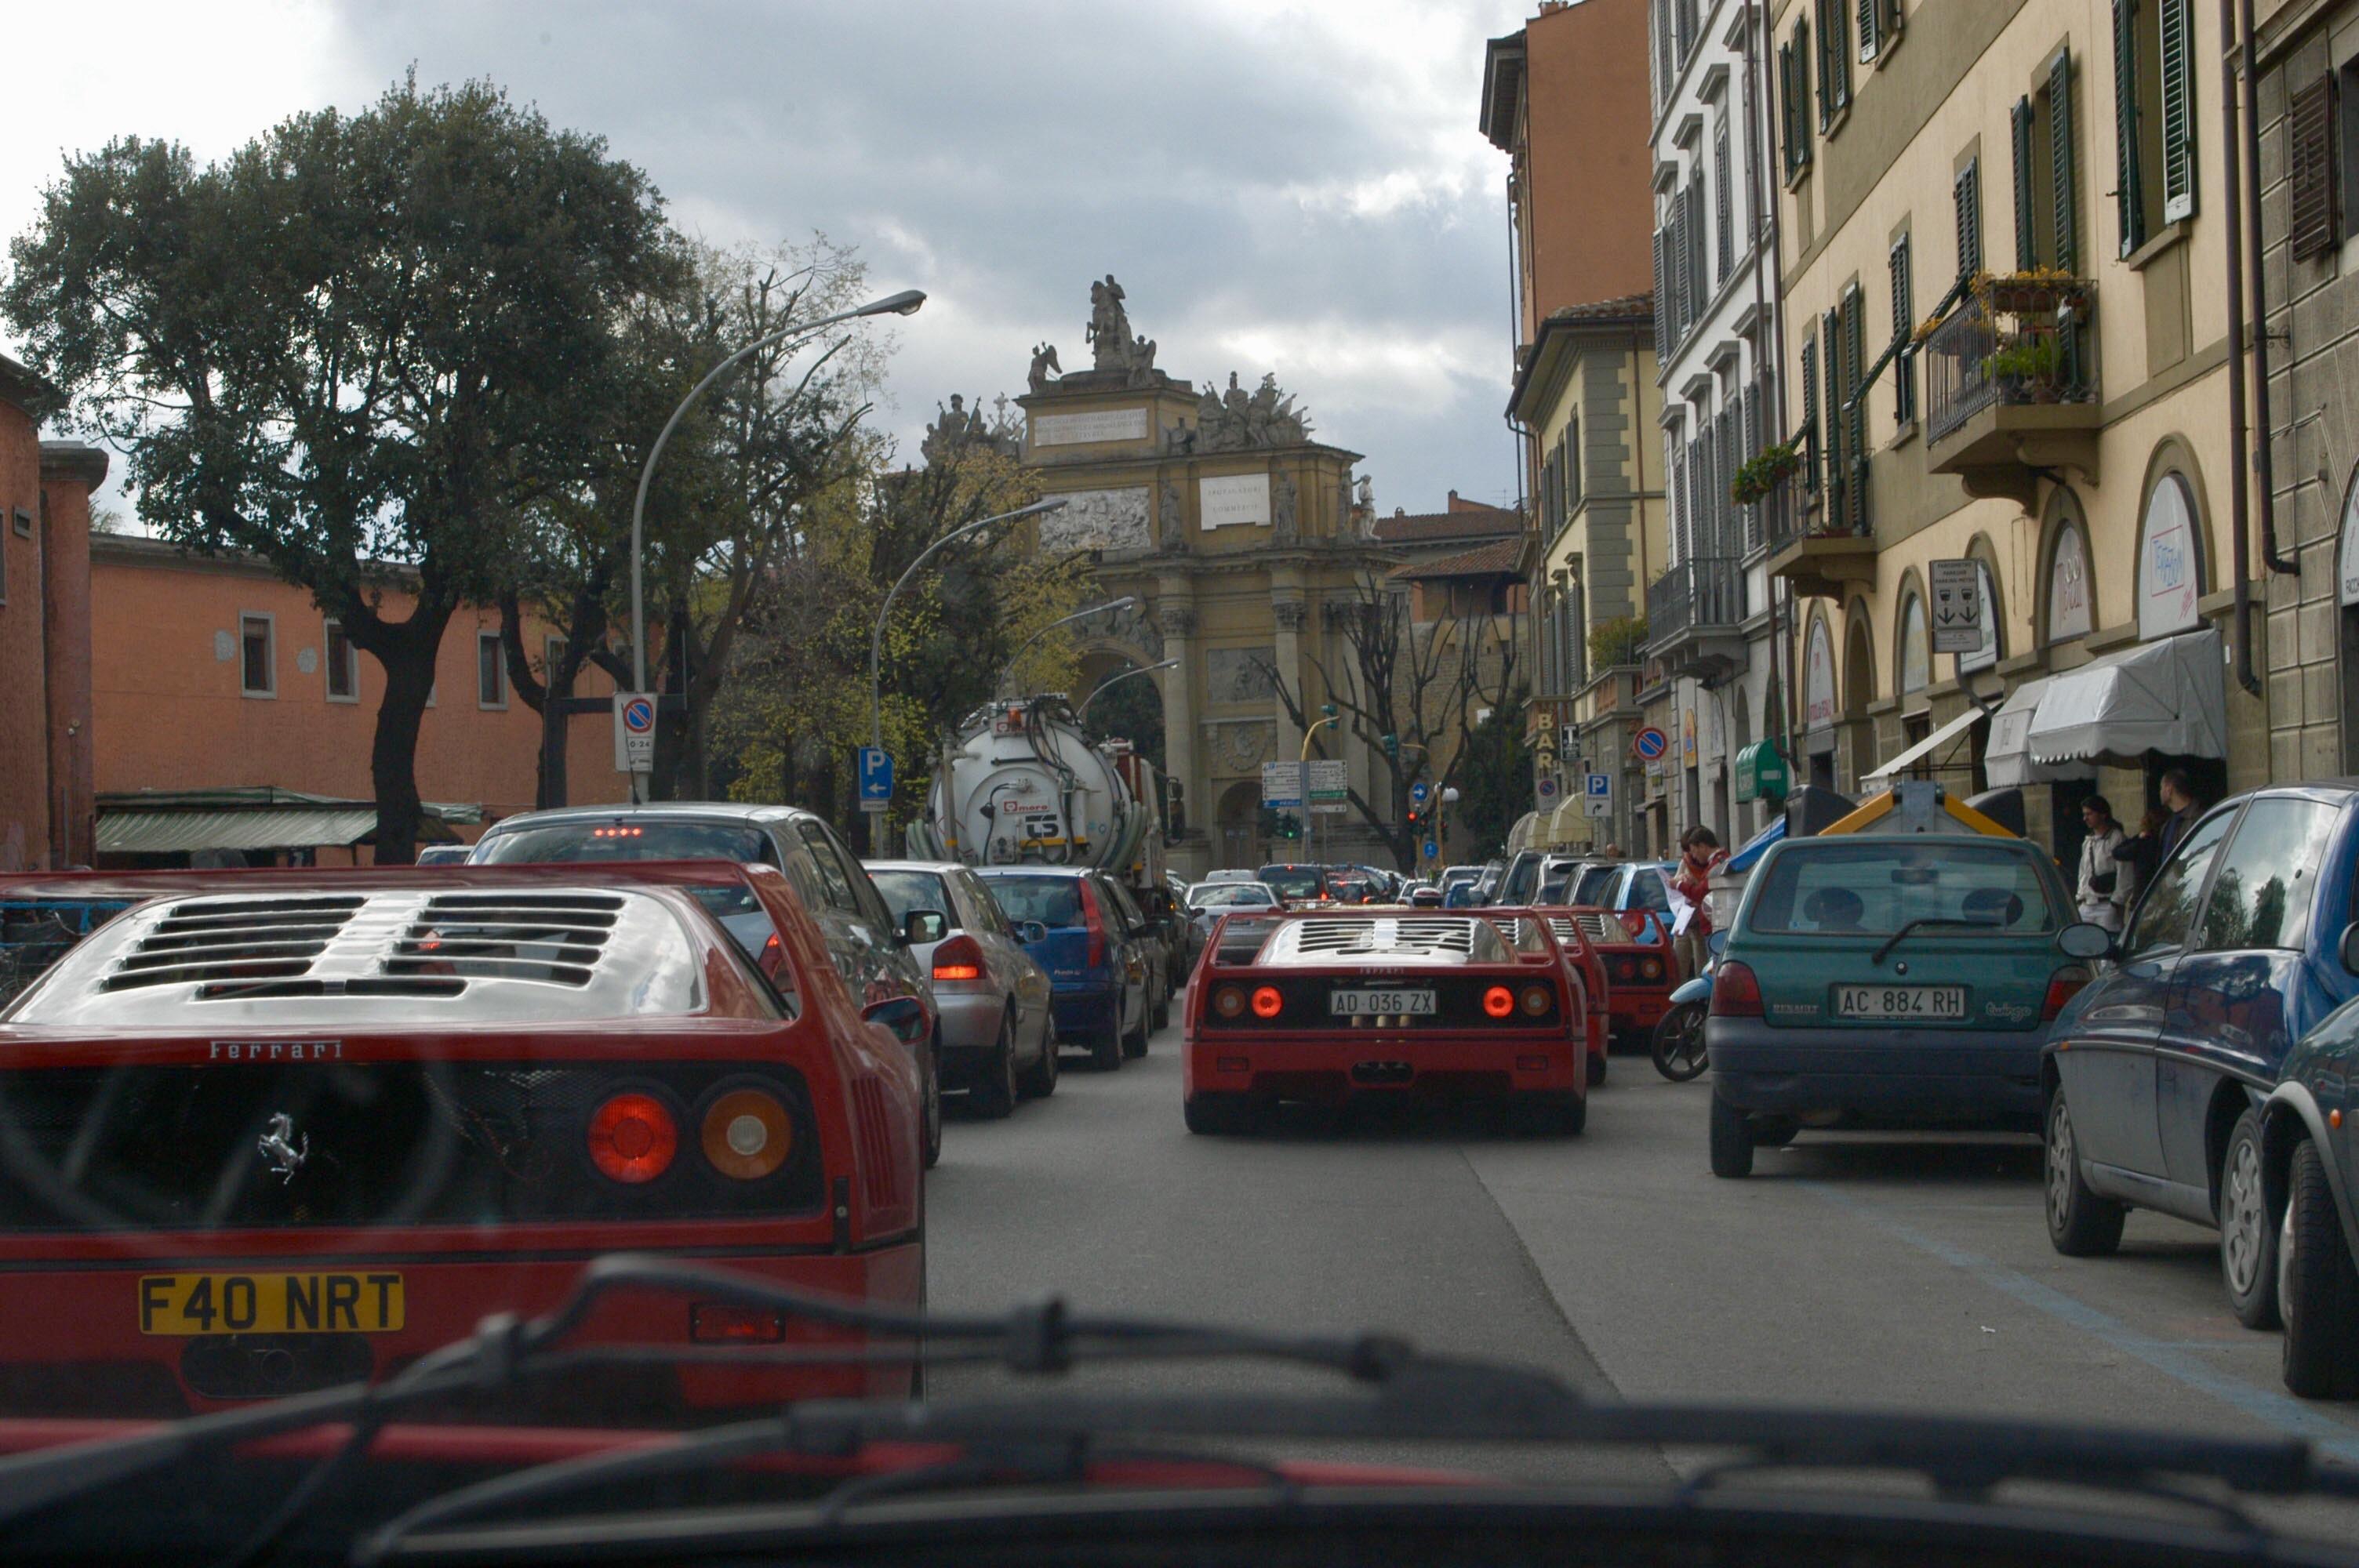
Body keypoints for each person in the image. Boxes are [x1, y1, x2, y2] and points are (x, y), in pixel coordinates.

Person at [1670, 826, 1727, 982]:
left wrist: (1679, 885)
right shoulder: (1715, 863)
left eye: (1694, 851)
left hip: (1709, 926)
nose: (1693, 856)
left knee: (1707, 971)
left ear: (1703, 846)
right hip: (1699, 923)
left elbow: (1700, 892)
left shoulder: (1716, 864)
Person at [2075, 795, 2128, 934]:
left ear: (2103, 814)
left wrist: (2117, 902)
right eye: (2084, 814)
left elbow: (2125, 873)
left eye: (2089, 814)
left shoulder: (2116, 838)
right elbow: (2083, 873)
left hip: (2107, 904)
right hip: (2086, 904)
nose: (2085, 818)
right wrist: (2080, 898)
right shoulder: (2088, 842)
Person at [2157, 768, 2205, 862]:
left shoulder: (2198, 819)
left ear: (2169, 789)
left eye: (2161, 787)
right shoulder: (2167, 825)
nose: (2160, 792)